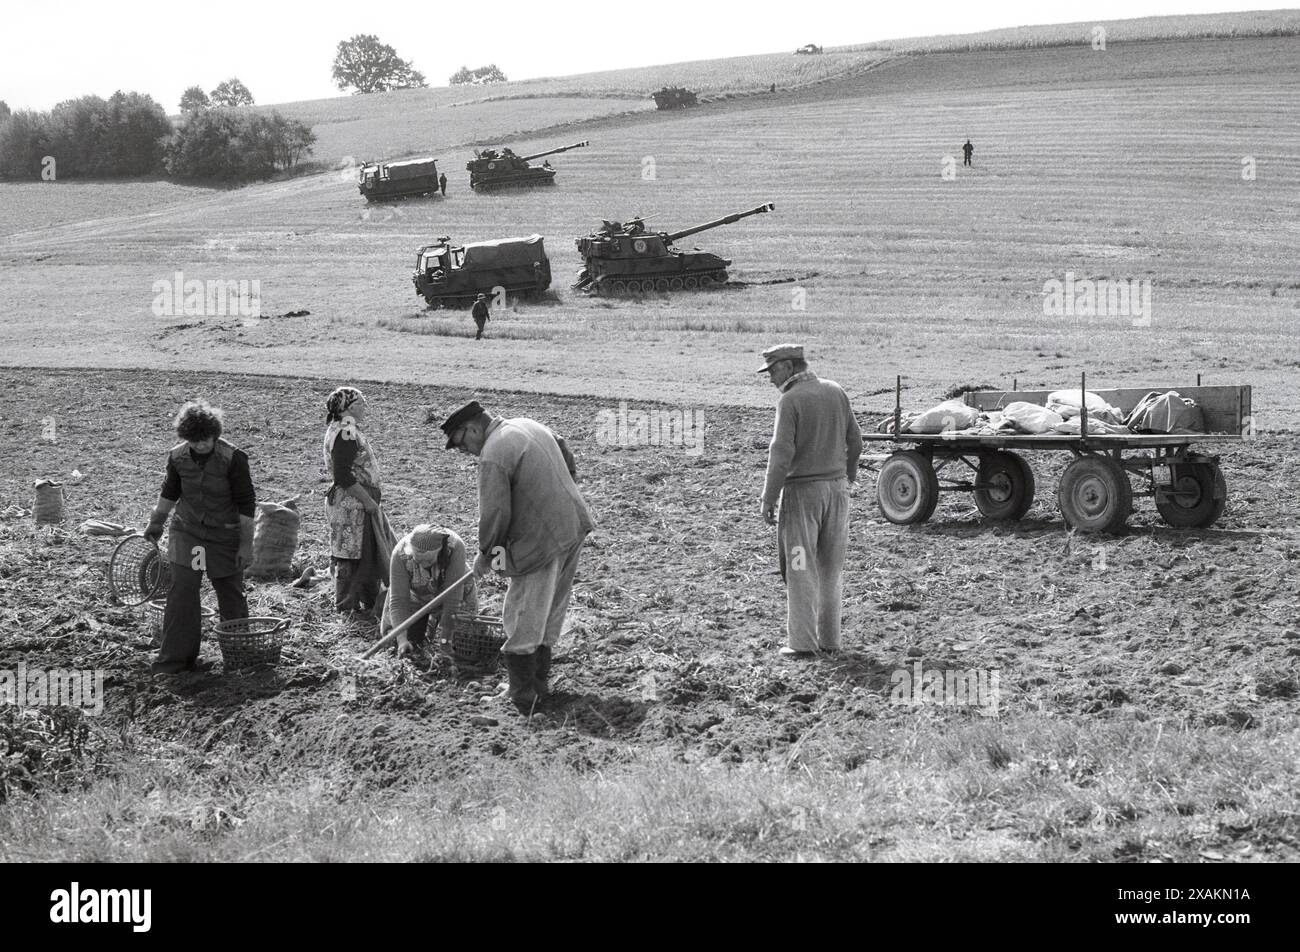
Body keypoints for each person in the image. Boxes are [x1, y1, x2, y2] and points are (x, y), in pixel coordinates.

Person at [440, 400, 594, 711]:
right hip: (572, 527)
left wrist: (487, 555)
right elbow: (565, 450)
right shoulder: (526, 424)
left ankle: (521, 693)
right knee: (549, 609)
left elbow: (495, 512)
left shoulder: (493, 453)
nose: (463, 451)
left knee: (522, 611)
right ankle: (536, 684)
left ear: (472, 428)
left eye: (459, 443)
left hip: (540, 542)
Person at [758, 344, 863, 658]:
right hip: (837, 494)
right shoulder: (835, 391)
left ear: (789, 368)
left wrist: (768, 497)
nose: (770, 377)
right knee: (830, 567)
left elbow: (780, 456)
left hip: (803, 498)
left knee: (799, 565)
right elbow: (855, 440)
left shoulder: (790, 401)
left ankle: (802, 643)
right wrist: (848, 477)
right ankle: (830, 640)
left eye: (773, 370)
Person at [143, 400, 254, 675]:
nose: (201, 445)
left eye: (206, 439)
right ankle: (175, 661)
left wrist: (245, 544)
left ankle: (239, 658)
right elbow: (170, 492)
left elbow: (246, 503)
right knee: (183, 590)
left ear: (215, 434)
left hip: (223, 534)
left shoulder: (233, 458)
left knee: (229, 591)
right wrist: (156, 523)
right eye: (195, 441)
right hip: (189, 532)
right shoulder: (178, 456)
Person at [323, 386, 387, 617]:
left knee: (362, 552)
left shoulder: (344, 429)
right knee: (349, 554)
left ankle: (363, 602)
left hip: (354, 502)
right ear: (346, 409)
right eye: (360, 403)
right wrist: (368, 500)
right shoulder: (346, 432)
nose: (364, 407)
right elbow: (343, 474)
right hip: (351, 504)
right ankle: (346, 605)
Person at [382, 524, 478, 663]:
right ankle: (425, 626)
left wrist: (445, 642)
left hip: (454, 591)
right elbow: (398, 601)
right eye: (418, 560)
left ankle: (443, 630)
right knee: (403, 643)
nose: (423, 564)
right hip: (415, 594)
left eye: (428, 560)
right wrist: (402, 640)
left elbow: (453, 600)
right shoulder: (400, 554)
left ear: (439, 553)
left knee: (464, 643)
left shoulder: (455, 547)